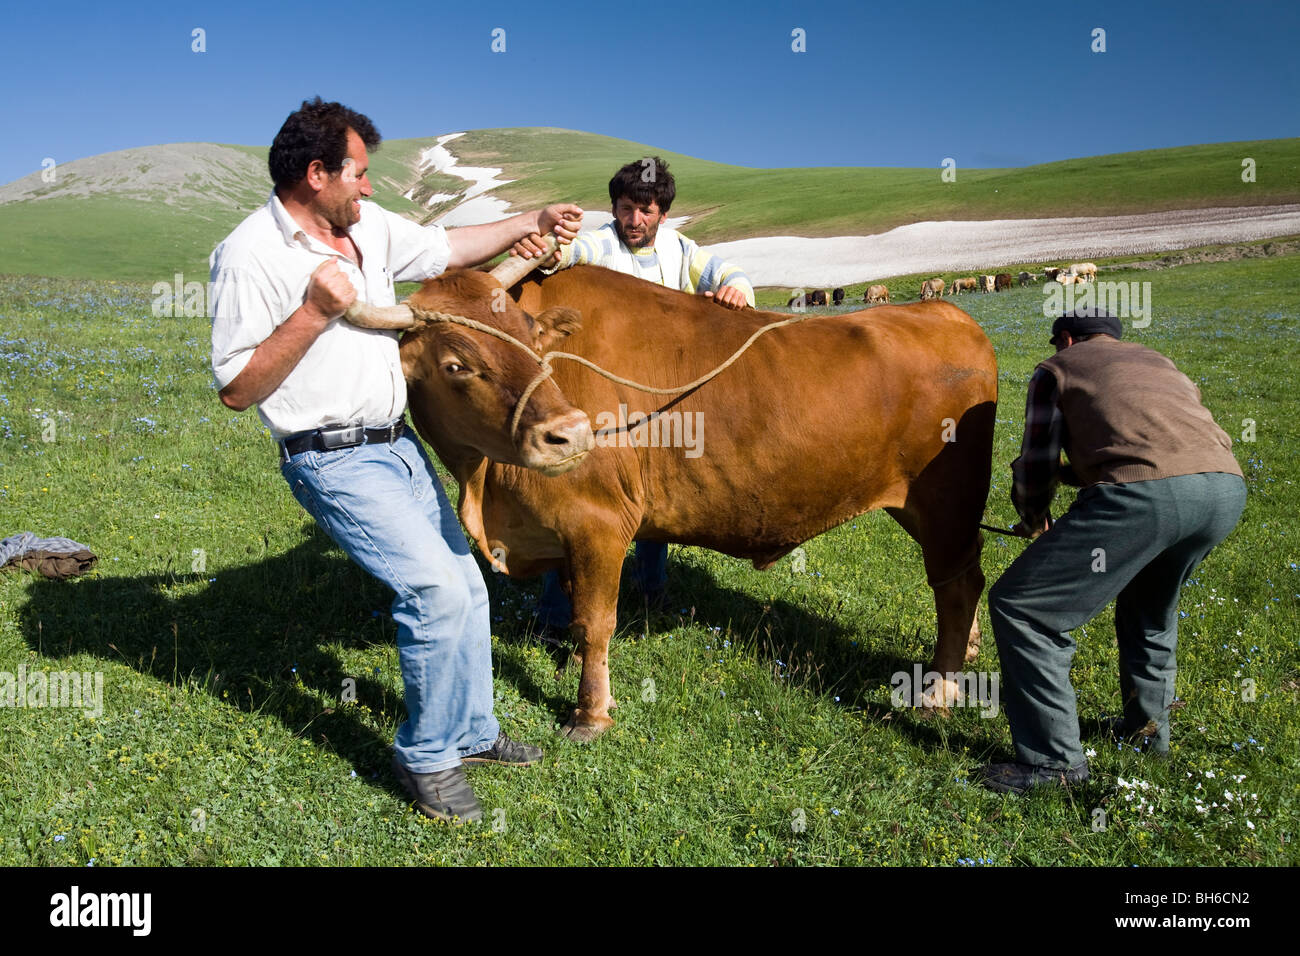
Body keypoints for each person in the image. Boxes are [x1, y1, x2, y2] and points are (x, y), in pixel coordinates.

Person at [209, 97, 583, 823]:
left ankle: (471, 731)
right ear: (318, 174)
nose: (371, 188)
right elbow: (235, 387)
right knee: (435, 596)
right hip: (333, 459)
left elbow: (447, 249)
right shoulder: (250, 253)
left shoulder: (367, 227)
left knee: (468, 589)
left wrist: (529, 225)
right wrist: (314, 312)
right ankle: (427, 755)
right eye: (361, 173)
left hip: (398, 446)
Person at [978, 307, 1246, 794]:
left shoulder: (1056, 369)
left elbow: (1038, 459)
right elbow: (1144, 444)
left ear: (1065, 339)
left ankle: (1053, 765)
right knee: (1151, 613)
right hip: (1223, 490)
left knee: (1025, 608)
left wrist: (1033, 514)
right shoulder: (1158, 363)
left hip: (1146, 498)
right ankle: (1148, 736)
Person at [511, 156, 755, 630]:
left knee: (651, 493)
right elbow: (571, 254)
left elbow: (731, 275)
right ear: (615, 208)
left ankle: (650, 589)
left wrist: (735, 292)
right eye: (626, 208)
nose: (635, 221)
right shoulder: (601, 243)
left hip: (656, 393)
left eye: (646, 211)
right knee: (577, 498)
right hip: (601, 397)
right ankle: (557, 613)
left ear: (663, 213)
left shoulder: (682, 251)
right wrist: (554, 252)